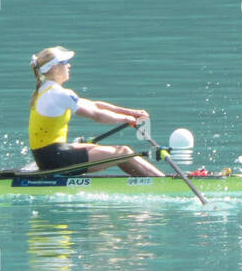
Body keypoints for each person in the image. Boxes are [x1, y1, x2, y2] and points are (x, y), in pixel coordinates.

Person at [27, 46, 165, 175]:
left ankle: (158, 180)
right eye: (65, 62)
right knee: (122, 152)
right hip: (55, 159)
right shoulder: (59, 93)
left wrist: (129, 112)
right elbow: (97, 115)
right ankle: (163, 183)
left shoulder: (45, 90)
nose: (69, 65)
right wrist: (126, 119)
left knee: (118, 151)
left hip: (46, 156)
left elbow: (94, 105)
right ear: (54, 68)